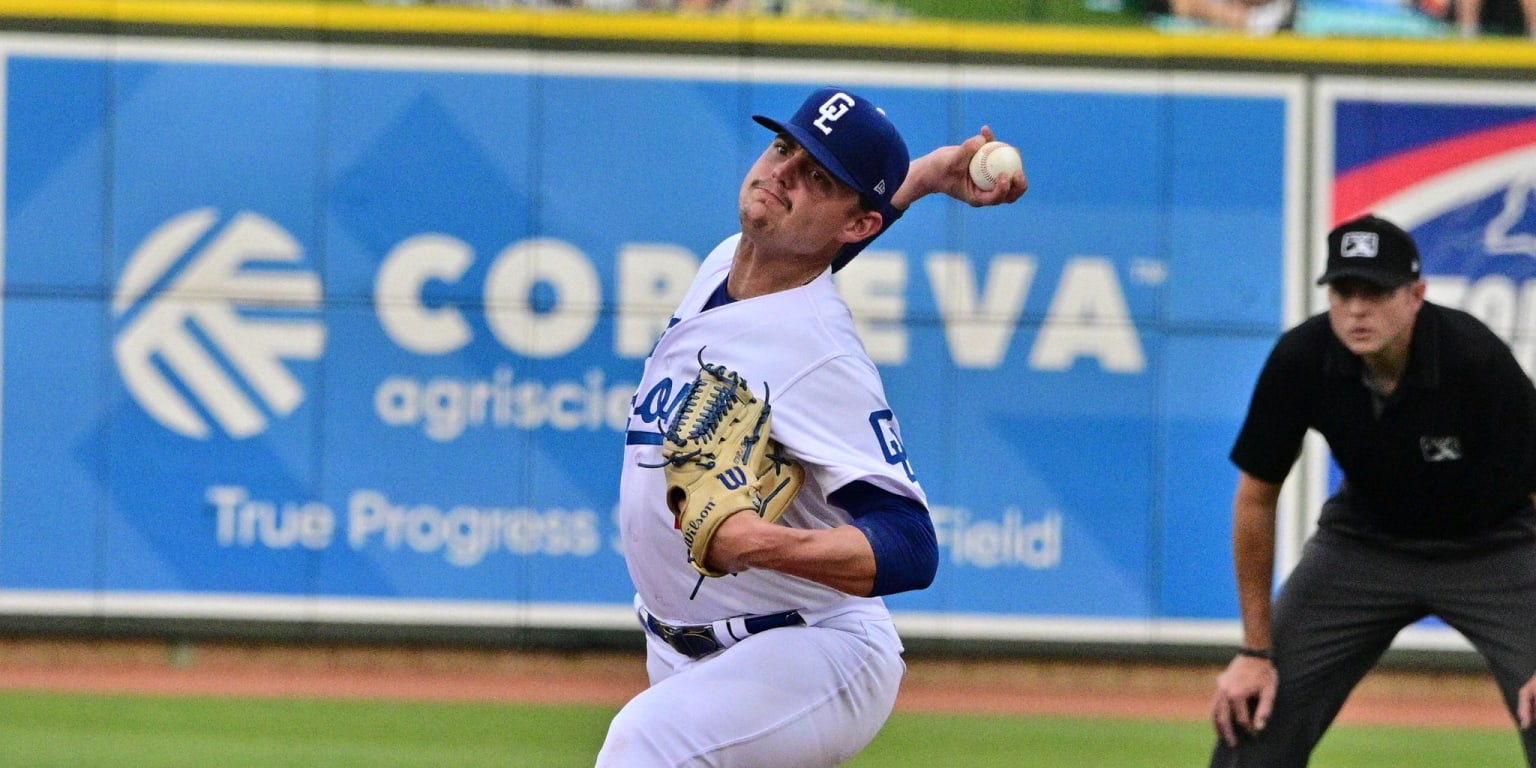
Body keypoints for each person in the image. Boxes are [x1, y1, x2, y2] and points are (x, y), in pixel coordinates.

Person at [594, 86, 1026, 766]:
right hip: (685, 649)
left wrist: (757, 542)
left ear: (858, 223)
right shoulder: (730, 262)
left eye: (818, 177)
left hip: (812, 646)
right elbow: (815, 248)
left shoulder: (823, 358)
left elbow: (911, 546)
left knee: (644, 741)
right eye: (783, 148)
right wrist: (923, 177)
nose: (783, 173)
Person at [1209, 213, 1536, 766]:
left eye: (1377, 293)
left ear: (1416, 295)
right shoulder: (1302, 358)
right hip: (1364, 547)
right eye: (1344, 292)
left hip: (1495, 548)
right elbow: (1256, 498)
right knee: (1256, 710)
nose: (1358, 310)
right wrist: (1254, 651)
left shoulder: (1473, 357)